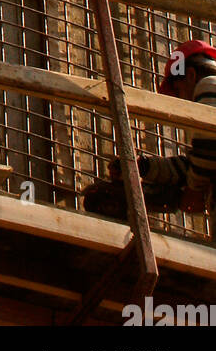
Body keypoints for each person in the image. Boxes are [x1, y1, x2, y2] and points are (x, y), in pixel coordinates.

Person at [83, 39, 216, 219]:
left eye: (178, 91)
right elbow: (195, 166)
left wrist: (194, 190)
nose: (180, 101)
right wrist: (144, 167)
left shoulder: (209, 84)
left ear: (191, 75)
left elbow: (207, 150)